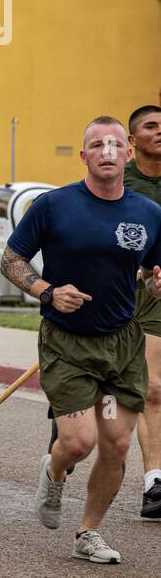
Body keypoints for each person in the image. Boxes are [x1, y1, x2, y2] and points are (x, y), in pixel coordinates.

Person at [2, 116, 161, 564]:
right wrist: (47, 291)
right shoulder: (54, 205)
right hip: (67, 343)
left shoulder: (148, 214)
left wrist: (155, 283)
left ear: (127, 153)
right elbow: (12, 259)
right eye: (97, 144)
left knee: (116, 442)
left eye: (115, 144)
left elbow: (151, 273)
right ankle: (53, 471)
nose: (107, 151)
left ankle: (88, 532)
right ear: (85, 155)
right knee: (78, 442)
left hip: (121, 345)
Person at [125, 104, 161, 518]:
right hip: (124, 296)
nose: (159, 132)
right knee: (143, 389)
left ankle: (155, 478)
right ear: (133, 140)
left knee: (153, 388)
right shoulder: (117, 182)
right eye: (150, 127)